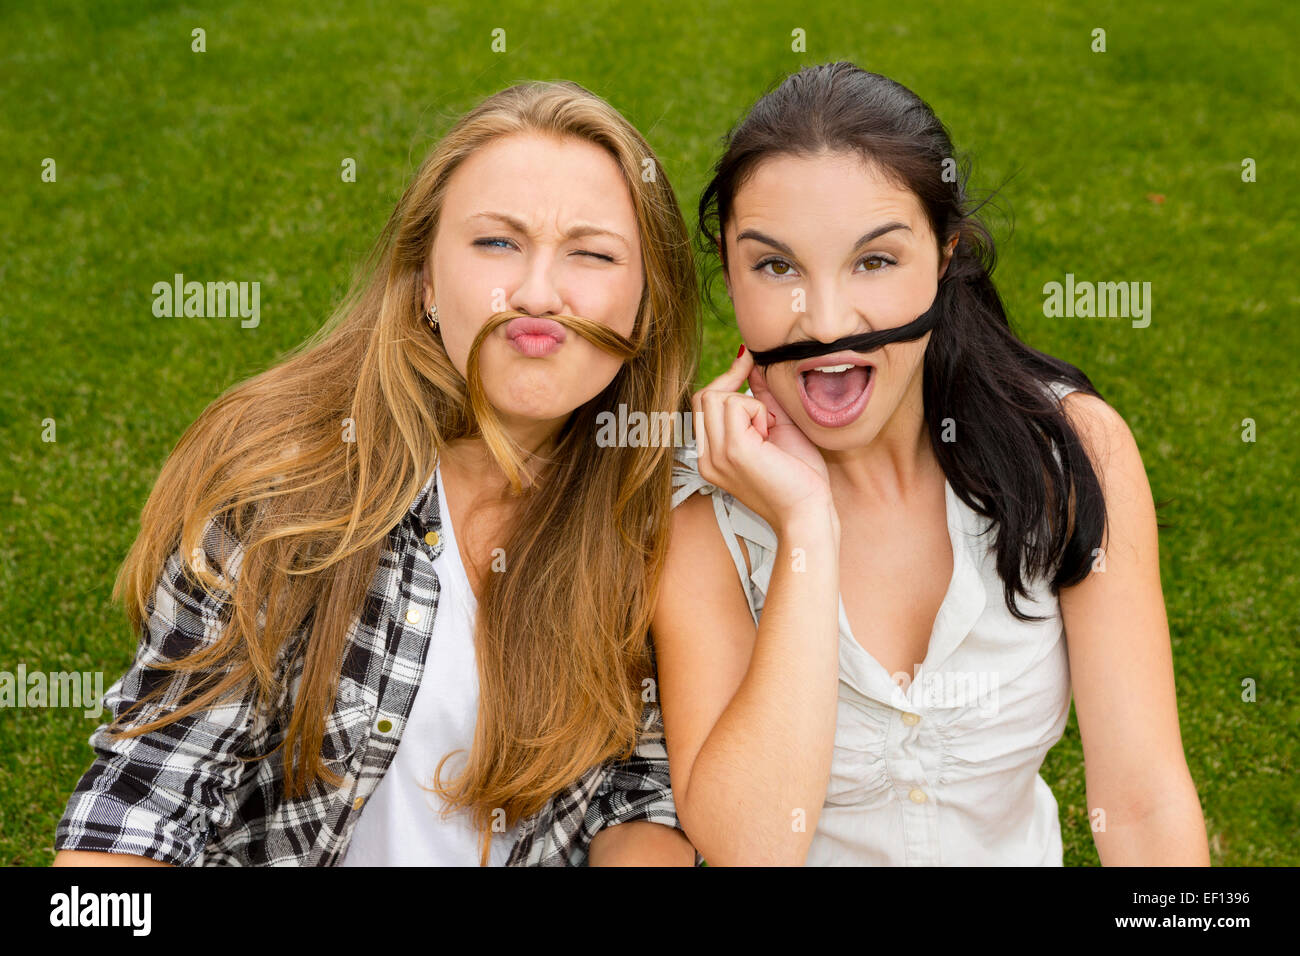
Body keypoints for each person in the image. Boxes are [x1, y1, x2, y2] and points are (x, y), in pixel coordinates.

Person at [53, 80, 700, 867]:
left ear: (648, 299)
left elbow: (643, 793)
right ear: (425, 280)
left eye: (592, 254)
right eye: (496, 243)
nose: (537, 294)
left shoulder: (665, 495)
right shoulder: (285, 482)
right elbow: (148, 800)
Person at [653, 62, 1208, 865]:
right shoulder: (696, 506)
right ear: (729, 272)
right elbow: (750, 845)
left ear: (945, 256)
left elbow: (1144, 800)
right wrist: (805, 523)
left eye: (874, 261)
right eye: (776, 266)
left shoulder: (1072, 452)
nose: (830, 320)